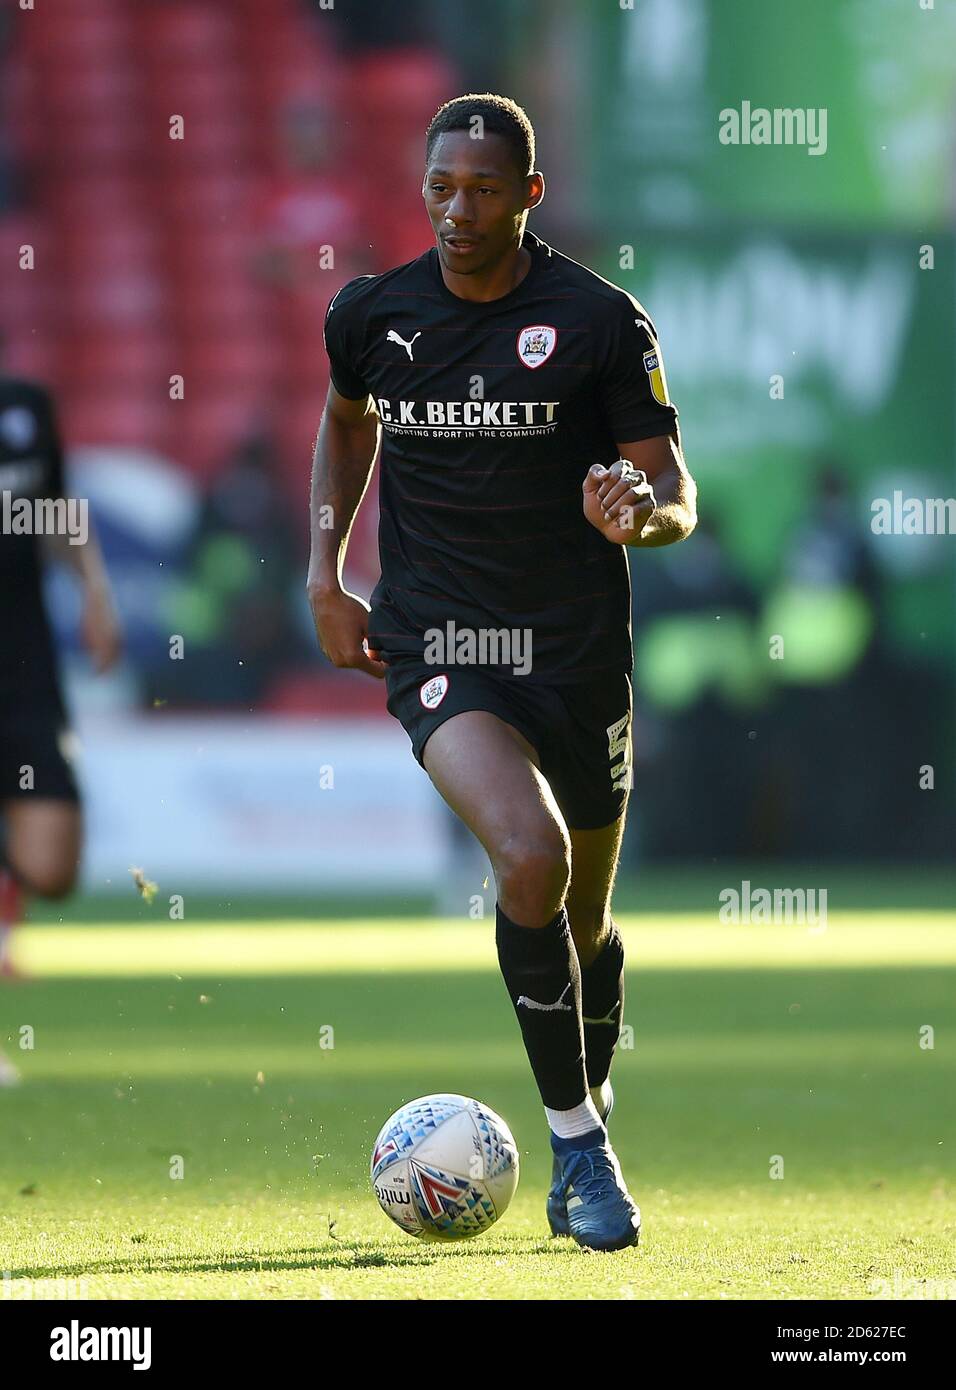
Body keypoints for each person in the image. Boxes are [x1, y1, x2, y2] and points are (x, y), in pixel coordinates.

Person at [307, 94, 697, 1251]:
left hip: (573, 656)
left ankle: (585, 1086)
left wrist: (640, 515)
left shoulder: (597, 322)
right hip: (440, 643)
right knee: (526, 855)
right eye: (439, 186)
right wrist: (325, 575)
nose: (455, 209)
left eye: (482, 188)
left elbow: (673, 491)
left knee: (581, 925)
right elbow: (344, 421)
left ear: (528, 195)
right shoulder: (373, 315)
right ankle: (579, 1148)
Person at [0, 373, 121, 1064]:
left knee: (53, 866)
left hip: (24, 669)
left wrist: (95, 593)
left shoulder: (24, 406)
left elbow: (52, 510)